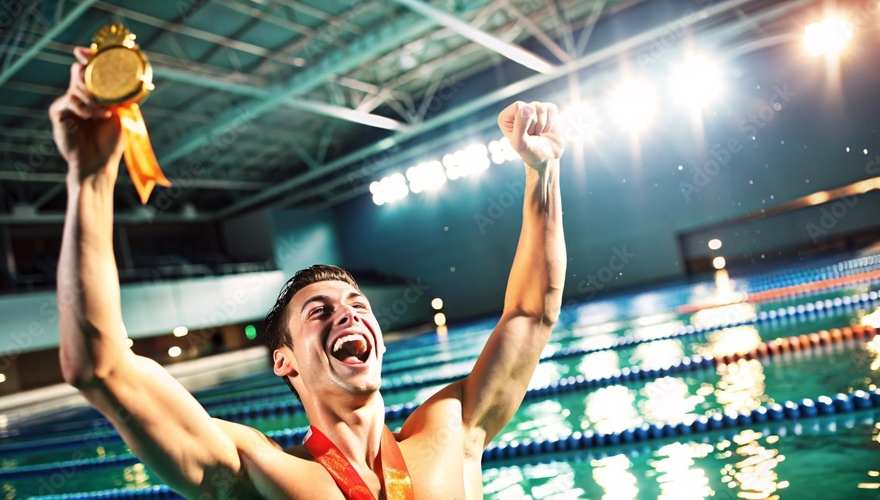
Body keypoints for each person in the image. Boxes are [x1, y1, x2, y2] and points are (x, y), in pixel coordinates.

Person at [54, 46, 567, 499]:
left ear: (379, 341)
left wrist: (542, 173)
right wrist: (92, 179)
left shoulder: (451, 432)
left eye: (358, 306)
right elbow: (101, 368)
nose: (347, 316)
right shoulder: (259, 473)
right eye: (319, 312)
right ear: (285, 361)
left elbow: (530, 315)